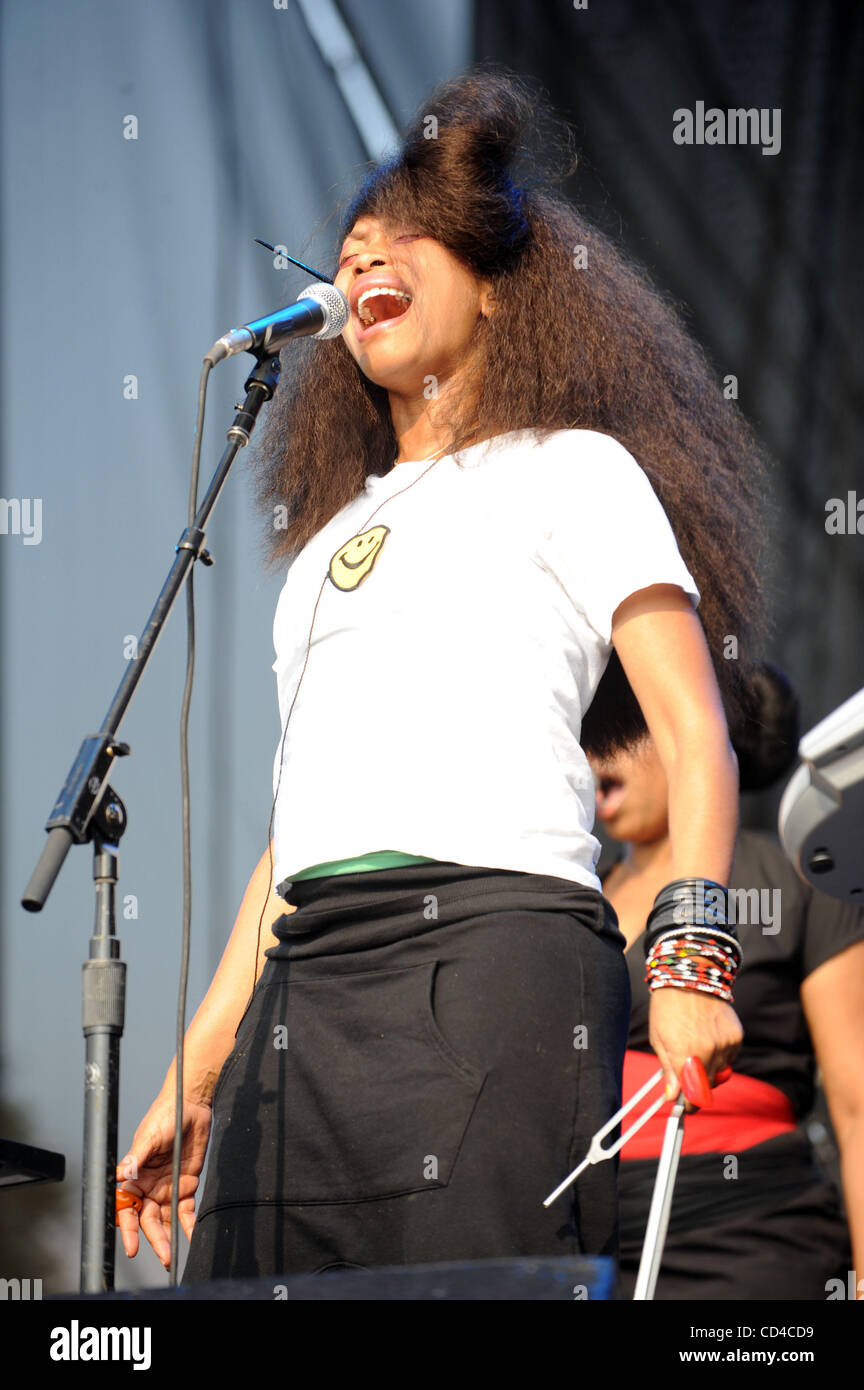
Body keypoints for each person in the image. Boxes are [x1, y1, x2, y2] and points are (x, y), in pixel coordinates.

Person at [116, 67, 772, 1281]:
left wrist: (689, 959)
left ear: (500, 290)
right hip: (305, 984)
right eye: (351, 248)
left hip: (489, 956)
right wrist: (195, 1073)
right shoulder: (324, 544)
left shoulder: (574, 468)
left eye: (408, 237)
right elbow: (301, 827)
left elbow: (694, 732)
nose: (366, 256)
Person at [588, 663, 864, 1299]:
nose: (596, 748)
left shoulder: (796, 881)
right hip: (590, 1241)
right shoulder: (577, 896)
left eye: (622, 726)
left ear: (691, 729)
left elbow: (856, 1106)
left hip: (750, 1239)